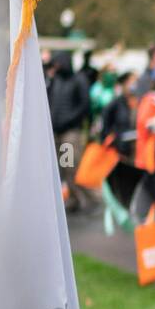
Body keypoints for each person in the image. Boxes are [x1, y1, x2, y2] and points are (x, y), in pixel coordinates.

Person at [47, 52, 90, 213]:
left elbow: (84, 105)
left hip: (70, 133)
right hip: (57, 131)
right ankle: (73, 197)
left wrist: (68, 121)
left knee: (70, 165)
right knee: (62, 168)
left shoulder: (79, 80)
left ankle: (79, 198)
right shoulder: (56, 80)